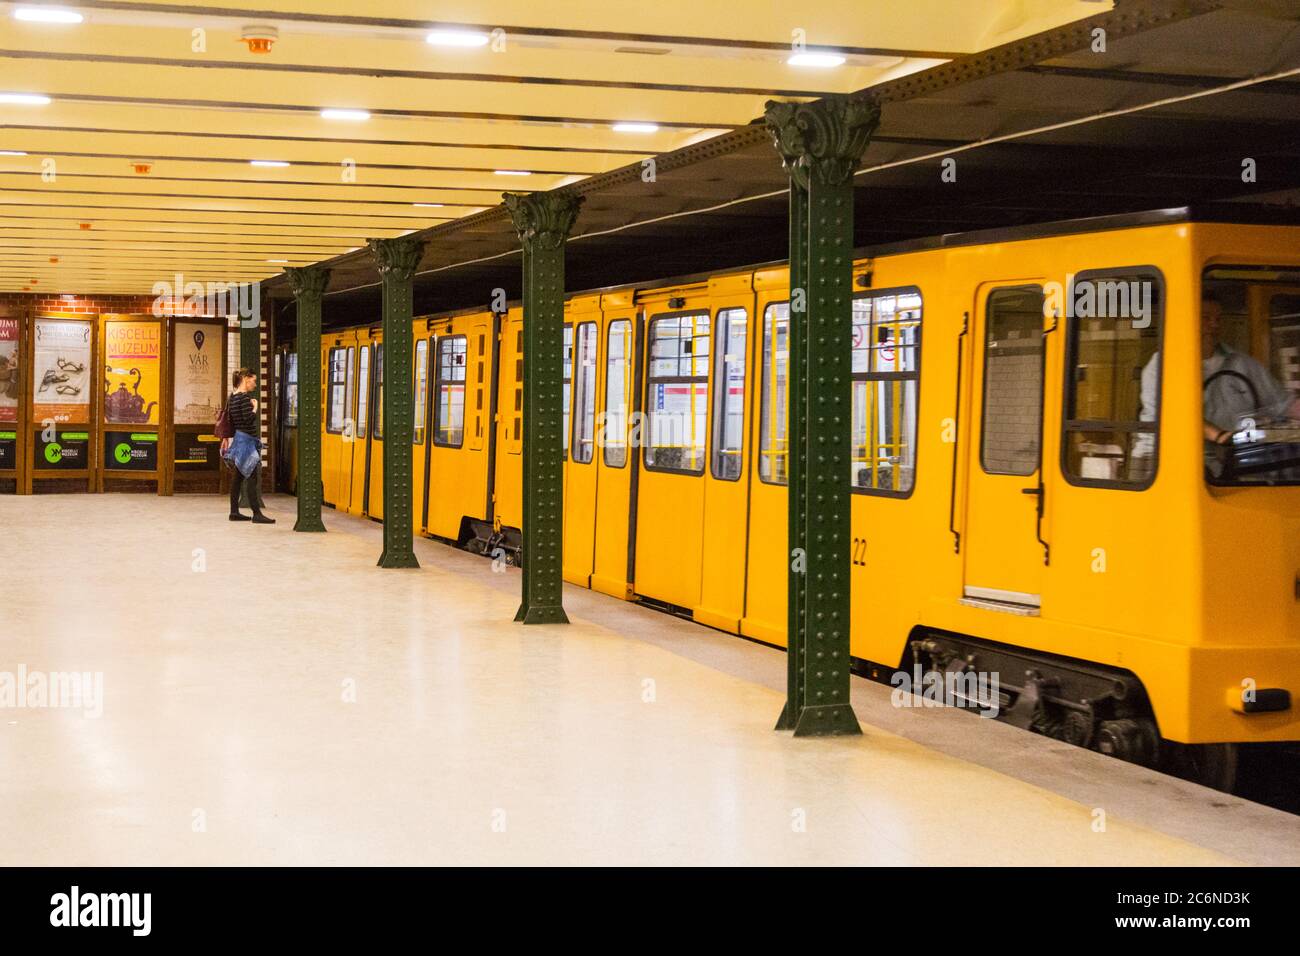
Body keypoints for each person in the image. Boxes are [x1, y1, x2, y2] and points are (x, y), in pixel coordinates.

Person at [1199, 289, 1300, 444]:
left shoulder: (1242, 363)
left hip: (1240, 459)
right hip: (1190, 460)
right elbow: (1171, 415)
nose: (1214, 324)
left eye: (1218, 319)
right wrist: (1219, 437)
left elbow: (1284, 404)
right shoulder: (1162, 365)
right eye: (1206, 318)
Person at [223, 369, 274, 524]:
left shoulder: (232, 397)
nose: (255, 384)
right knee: (253, 477)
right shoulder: (245, 398)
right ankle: (257, 513)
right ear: (245, 379)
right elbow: (248, 420)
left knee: (238, 477)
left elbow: (231, 420)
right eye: (253, 380)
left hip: (239, 439)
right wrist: (255, 407)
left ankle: (234, 512)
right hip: (247, 442)